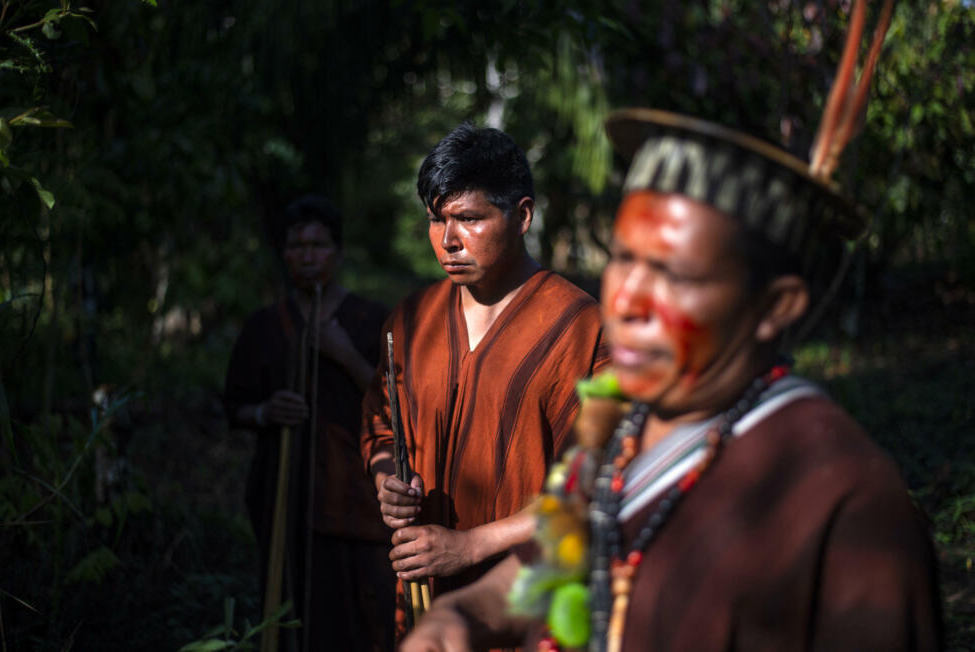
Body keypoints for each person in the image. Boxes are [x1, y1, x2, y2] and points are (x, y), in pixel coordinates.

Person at [399, 5, 942, 650]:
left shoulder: (843, 500)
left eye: (676, 275)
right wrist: (469, 616)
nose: (627, 297)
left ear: (777, 307)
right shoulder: (625, 434)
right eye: (624, 258)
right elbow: (567, 557)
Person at [360, 124, 610, 638]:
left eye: (469, 219)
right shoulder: (413, 318)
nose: (448, 241)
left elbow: (595, 484)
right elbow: (381, 427)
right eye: (436, 220)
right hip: (424, 605)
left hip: (528, 607)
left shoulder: (581, 328)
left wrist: (469, 546)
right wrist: (388, 482)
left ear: (521, 216)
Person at [224, 195, 395, 651]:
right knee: (291, 598)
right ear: (284, 254)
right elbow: (234, 406)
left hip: (356, 496)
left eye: (318, 245)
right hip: (283, 489)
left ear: (337, 252)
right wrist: (265, 412)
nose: (307, 255)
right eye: (297, 245)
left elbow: (397, 400)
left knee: (361, 612)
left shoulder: (370, 319)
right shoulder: (264, 326)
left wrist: (344, 354)